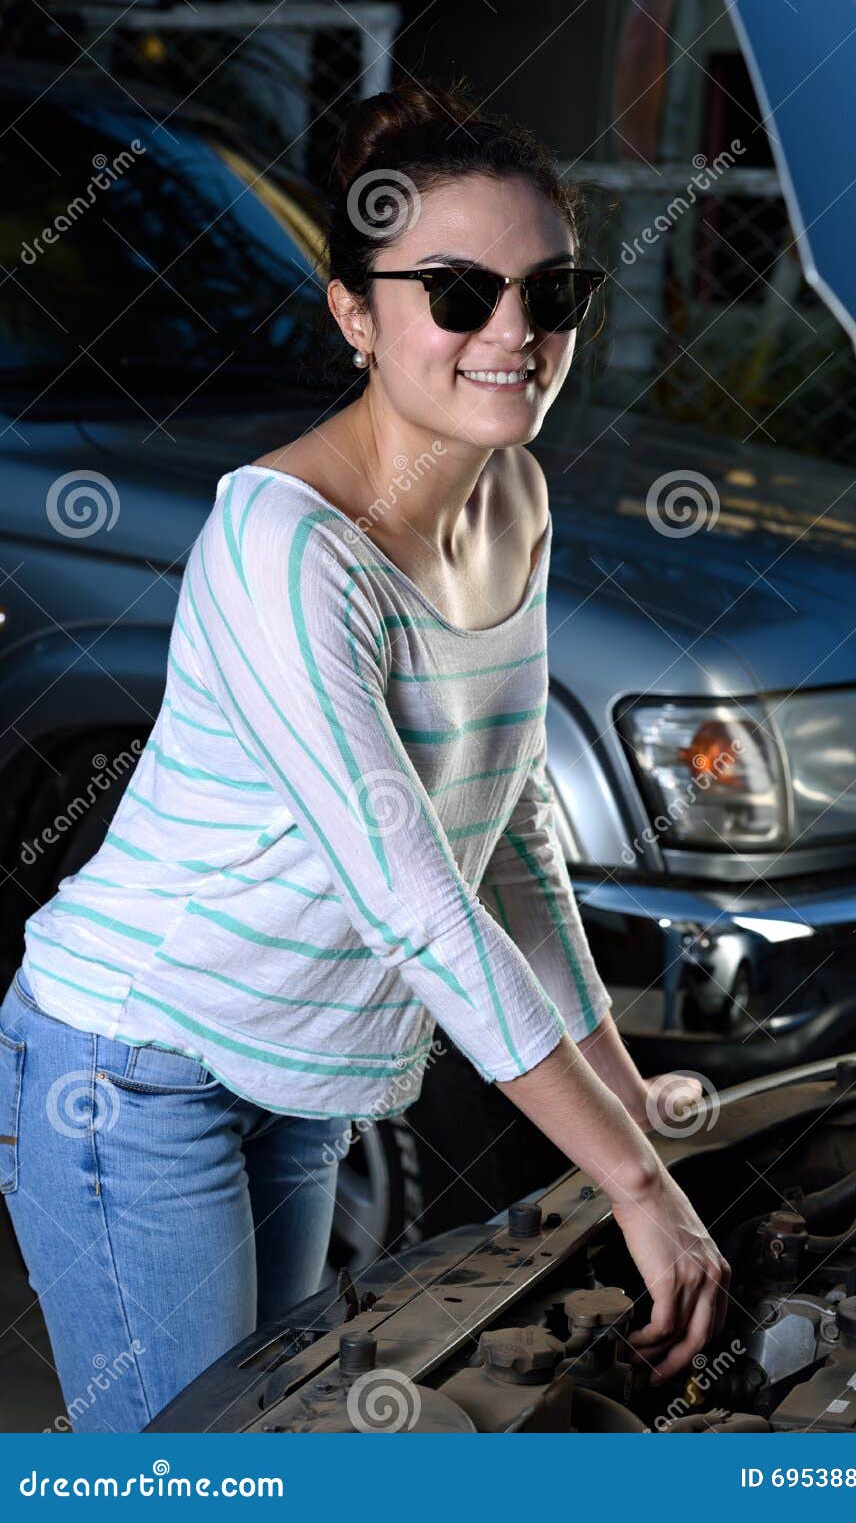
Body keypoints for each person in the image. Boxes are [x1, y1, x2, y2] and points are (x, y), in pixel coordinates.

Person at [0, 77, 729, 1432]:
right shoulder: (285, 548)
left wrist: (627, 1092)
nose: (514, 333)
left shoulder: (513, 490)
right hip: (135, 1060)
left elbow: (508, 835)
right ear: (356, 315)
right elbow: (413, 897)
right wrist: (634, 1181)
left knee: (271, 1437)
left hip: (293, 1077)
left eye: (549, 294)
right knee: (189, 1471)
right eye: (458, 294)